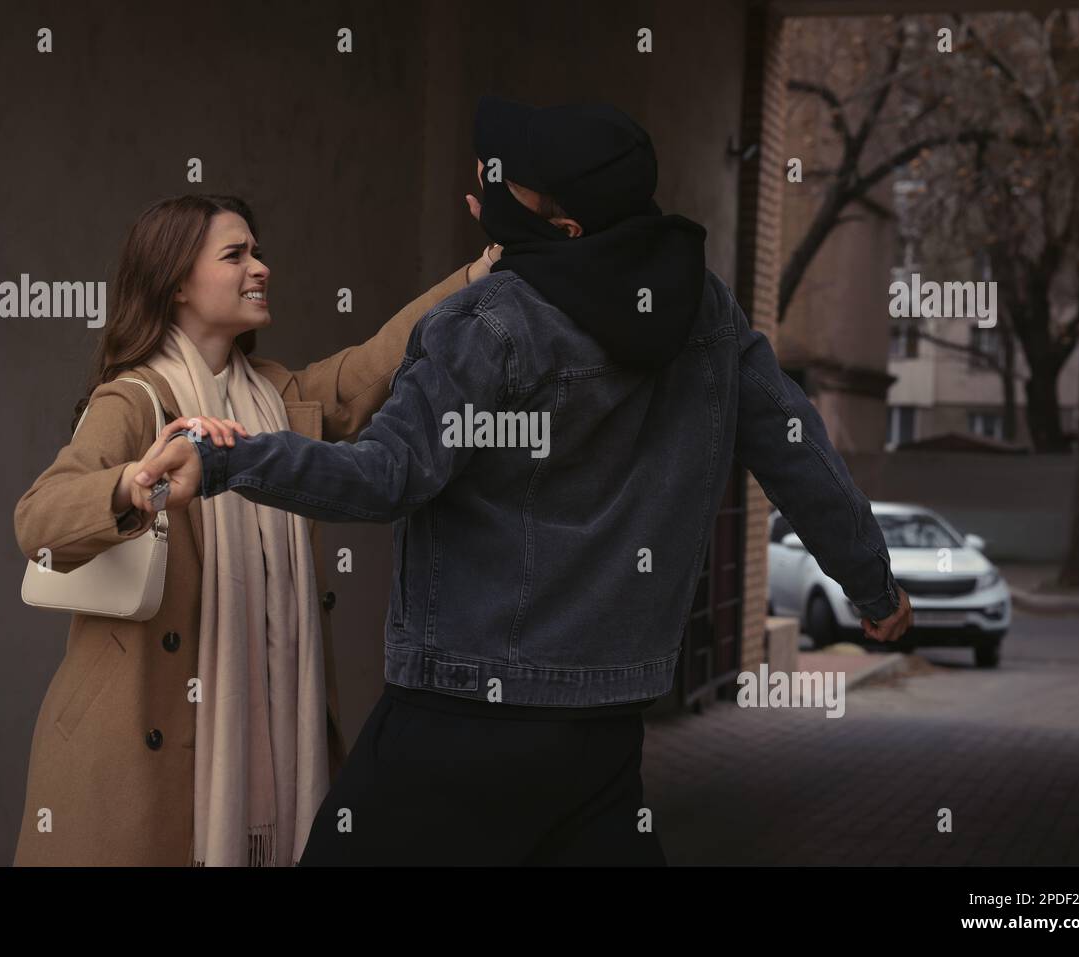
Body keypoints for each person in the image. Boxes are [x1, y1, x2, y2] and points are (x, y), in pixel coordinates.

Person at [133, 99, 914, 866]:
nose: (481, 188)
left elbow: (386, 474)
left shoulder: (489, 325)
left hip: (460, 718)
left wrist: (228, 458)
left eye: (499, 181)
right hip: (604, 724)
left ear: (560, 222)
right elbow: (794, 447)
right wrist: (872, 585)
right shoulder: (706, 312)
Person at [12, 193, 499, 866]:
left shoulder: (275, 394)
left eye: (258, 252)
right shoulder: (133, 398)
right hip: (131, 743)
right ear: (177, 282)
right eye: (235, 254)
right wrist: (130, 484)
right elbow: (38, 516)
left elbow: (373, 364)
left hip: (260, 729)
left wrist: (474, 279)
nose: (260, 267)